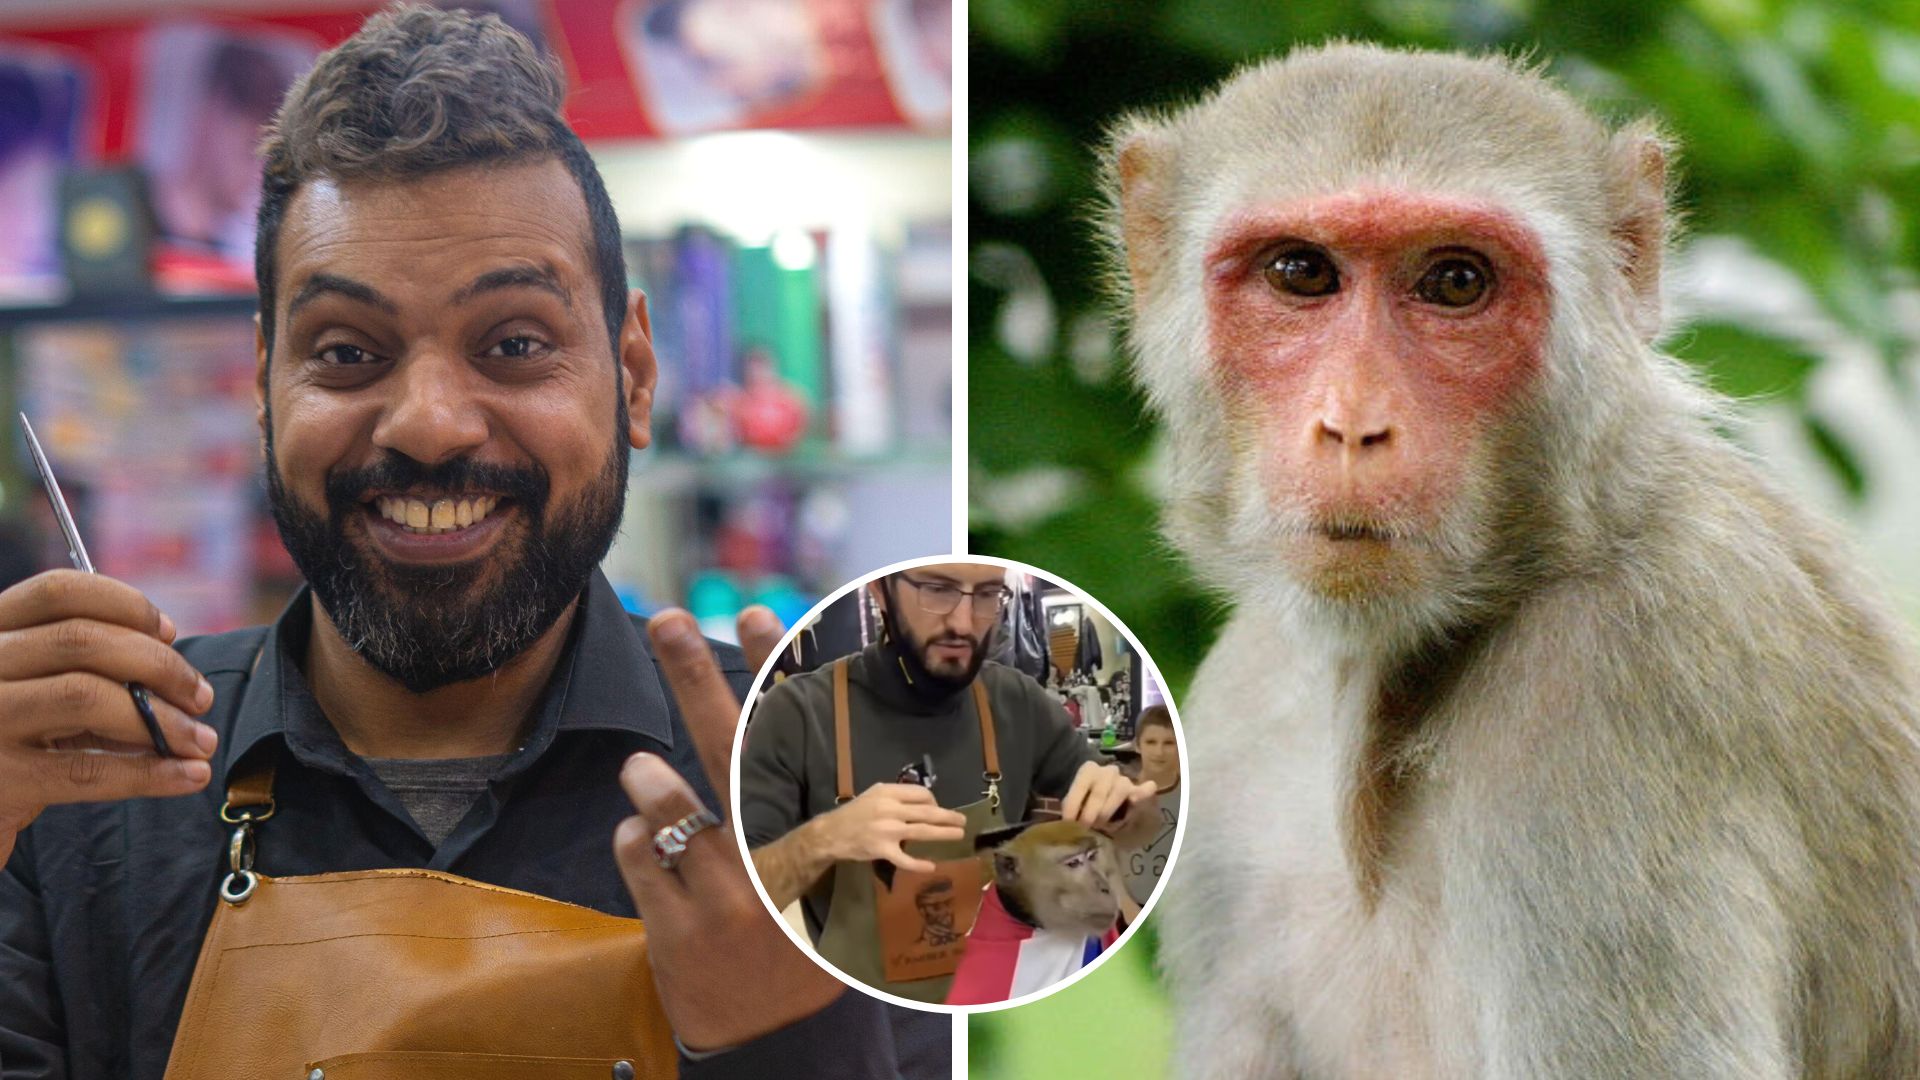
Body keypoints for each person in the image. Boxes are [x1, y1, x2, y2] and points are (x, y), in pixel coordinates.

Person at [0, 9, 939, 1078]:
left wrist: (788, 1028)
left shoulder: (830, 794)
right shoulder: (73, 798)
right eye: (346, 352)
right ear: (265, 389)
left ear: (633, 376)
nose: (430, 424)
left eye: (515, 343)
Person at [741, 561, 1158, 1002]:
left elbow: (1139, 821)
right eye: (938, 590)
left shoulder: (1016, 700)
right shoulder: (798, 712)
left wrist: (1126, 807)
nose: (963, 622)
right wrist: (824, 838)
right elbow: (743, 898)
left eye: (987, 595)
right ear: (881, 591)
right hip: (862, 1009)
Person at [1121, 704, 1180, 906]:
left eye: (1169, 743)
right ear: (1137, 745)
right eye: (1151, 742)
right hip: (1129, 907)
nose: (1159, 752)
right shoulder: (1121, 792)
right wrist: (1125, 904)